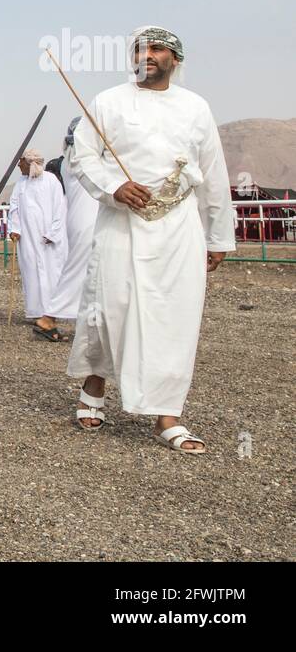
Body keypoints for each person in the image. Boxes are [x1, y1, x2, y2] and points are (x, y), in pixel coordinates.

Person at [65, 26, 234, 453]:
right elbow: (82, 156)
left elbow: (214, 175)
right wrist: (114, 186)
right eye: (140, 48)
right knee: (110, 308)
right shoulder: (108, 101)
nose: (147, 54)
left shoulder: (196, 107)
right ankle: (94, 386)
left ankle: (167, 416)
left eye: (157, 49)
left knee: (174, 318)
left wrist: (218, 236)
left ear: (175, 59)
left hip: (177, 228)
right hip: (121, 221)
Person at [39, 117, 100, 337]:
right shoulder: (79, 161)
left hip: (86, 218)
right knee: (78, 270)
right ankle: (48, 318)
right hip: (88, 220)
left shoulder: (69, 160)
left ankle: (94, 320)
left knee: (95, 272)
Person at [6, 149, 67, 336]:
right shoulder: (21, 184)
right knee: (31, 272)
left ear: (31, 163)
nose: (18, 166)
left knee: (52, 273)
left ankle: (52, 312)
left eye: (21, 162)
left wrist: (53, 233)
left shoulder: (51, 181)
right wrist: (14, 229)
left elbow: (60, 208)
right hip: (28, 238)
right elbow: (14, 208)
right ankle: (36, 311)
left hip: (48, 239)